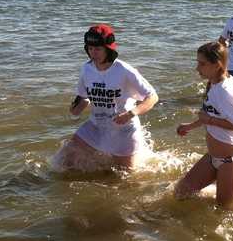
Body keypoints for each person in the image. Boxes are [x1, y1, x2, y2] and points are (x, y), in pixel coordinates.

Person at [60, 24, 159, 171]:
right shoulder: (86, 69)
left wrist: (131, 113)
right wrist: (76, 108)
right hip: (96, 126)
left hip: (123, 129)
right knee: (66, 160)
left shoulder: (124, 70)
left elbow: (152, 97)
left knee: (126, 177)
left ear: (109, 48)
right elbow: (83, 96)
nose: (94, 53)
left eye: (98, 49)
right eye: (90, 48)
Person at [175, 41, 233, 208]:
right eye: (197, 63)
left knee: (223, 211)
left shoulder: (225, 91)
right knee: (180, 193)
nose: (197, 68)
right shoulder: (213, 83)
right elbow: (209, 113)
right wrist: (190, 126)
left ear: (217, 65)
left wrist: (209, 121)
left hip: (230, 161)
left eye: (202, 64)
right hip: (213, 157)